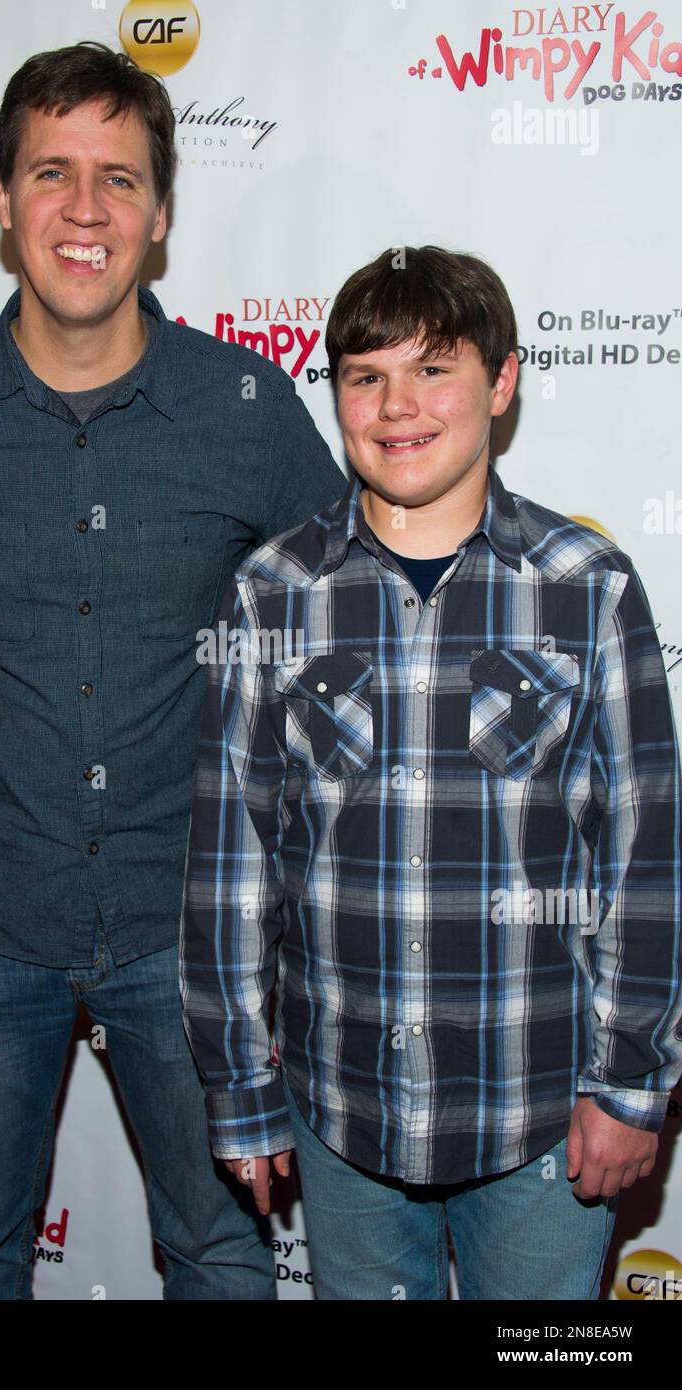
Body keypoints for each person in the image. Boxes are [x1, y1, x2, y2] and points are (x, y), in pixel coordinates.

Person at [0, 41, 347, 1301]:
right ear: (3, 202)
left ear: (160, 214)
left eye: (120, 178)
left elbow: (335, 605)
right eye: (52, 172)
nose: (87, 208)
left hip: (195, 931)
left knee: (223, 1249)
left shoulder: (244, 406)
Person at [179, 244, 682, 1300]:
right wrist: (239, 1082)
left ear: (500, 383)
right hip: (341, 1114)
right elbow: (234, 858)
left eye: (434, 368)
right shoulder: (273, 594)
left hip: (544, 1115)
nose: (397, 405)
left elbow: (646, 853)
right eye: (366, 375)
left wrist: (634, 1080)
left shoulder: (587, 589)